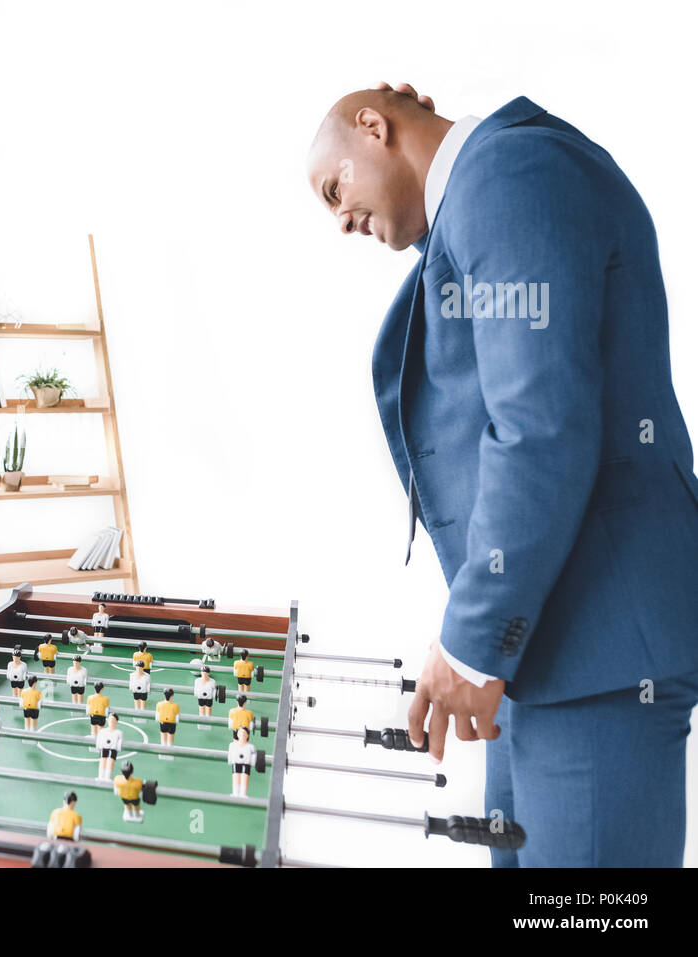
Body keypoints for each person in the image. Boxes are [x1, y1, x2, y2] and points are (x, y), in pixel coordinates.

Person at [305, 83, 698, 866]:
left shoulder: (508, 173)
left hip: (599, 654)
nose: (341, 220)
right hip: (544, 652)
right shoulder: (484, 194)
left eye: (332, 190)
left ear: (373, 126)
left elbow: (539, 430)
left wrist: (472, 644)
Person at [227, 726, 256, 798]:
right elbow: (230, 754)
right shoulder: (233, 745)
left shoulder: (250, 746)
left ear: (247, 735)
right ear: (237, 735)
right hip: (236, 762)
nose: (242, 735)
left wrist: (252, 762)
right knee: (236, 776)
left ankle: (243, 793)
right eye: (240, 733)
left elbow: (254, 755)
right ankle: (235, 792)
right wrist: (230, 760)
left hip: (246, 764)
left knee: (244, 777)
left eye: (244, 733)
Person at [95, 712, 124, 780]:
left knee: (110, 762)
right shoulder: (102, 731)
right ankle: (100, 777)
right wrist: (98, 746)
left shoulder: (119, 732)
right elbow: (99, 739)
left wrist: (118, 747)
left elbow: (120, 742)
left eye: (113, 720)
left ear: (116, 721)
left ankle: (107, 777)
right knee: (103, 761)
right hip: (104, 748)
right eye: (110, 720)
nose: (111, 722)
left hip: (113, 749)